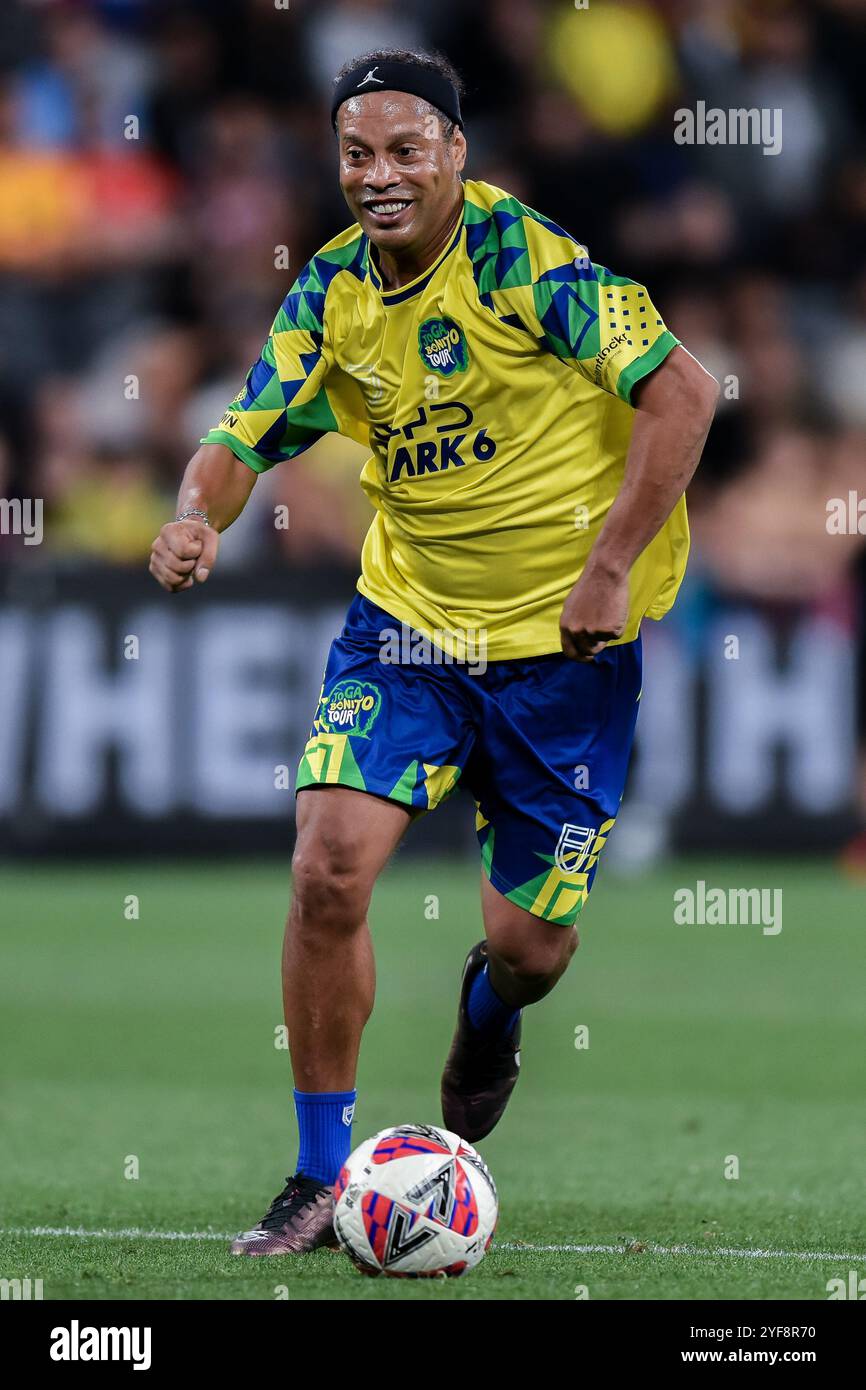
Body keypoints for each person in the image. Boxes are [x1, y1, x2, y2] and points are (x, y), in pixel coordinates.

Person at [148, 49, 719, 1256]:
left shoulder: (527, 262)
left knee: (530, 949)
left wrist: (610, 563)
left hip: (565, 647)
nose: (378, 176)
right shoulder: (330, 296)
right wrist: (198, 512)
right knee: (327, 867)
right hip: (406, 629)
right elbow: (240, 437)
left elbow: (684, 390)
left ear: (456, 152)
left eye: (406, 149)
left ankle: (487, 1013)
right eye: (357, 153)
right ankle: (314, 1176)